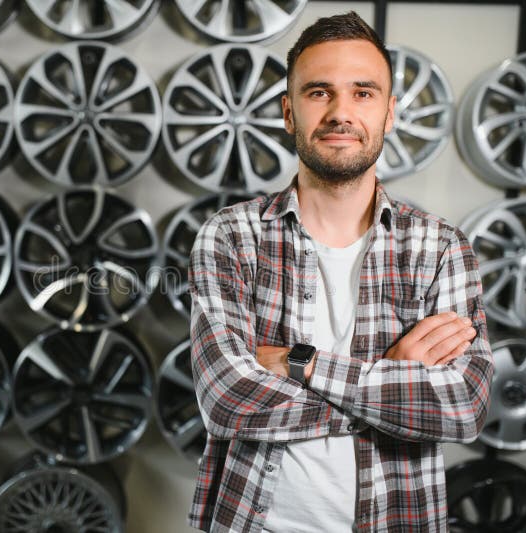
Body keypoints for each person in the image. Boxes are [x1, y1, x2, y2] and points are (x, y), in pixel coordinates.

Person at [187, 11, 494, 533]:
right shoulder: (231, 236)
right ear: (288, 112)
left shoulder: (440, 247)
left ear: (390, 112)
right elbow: (226, 400)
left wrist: (299, 363)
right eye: (319, 92)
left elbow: (463, 407)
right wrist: (392, 373)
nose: (340, 112)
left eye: (363, 93)